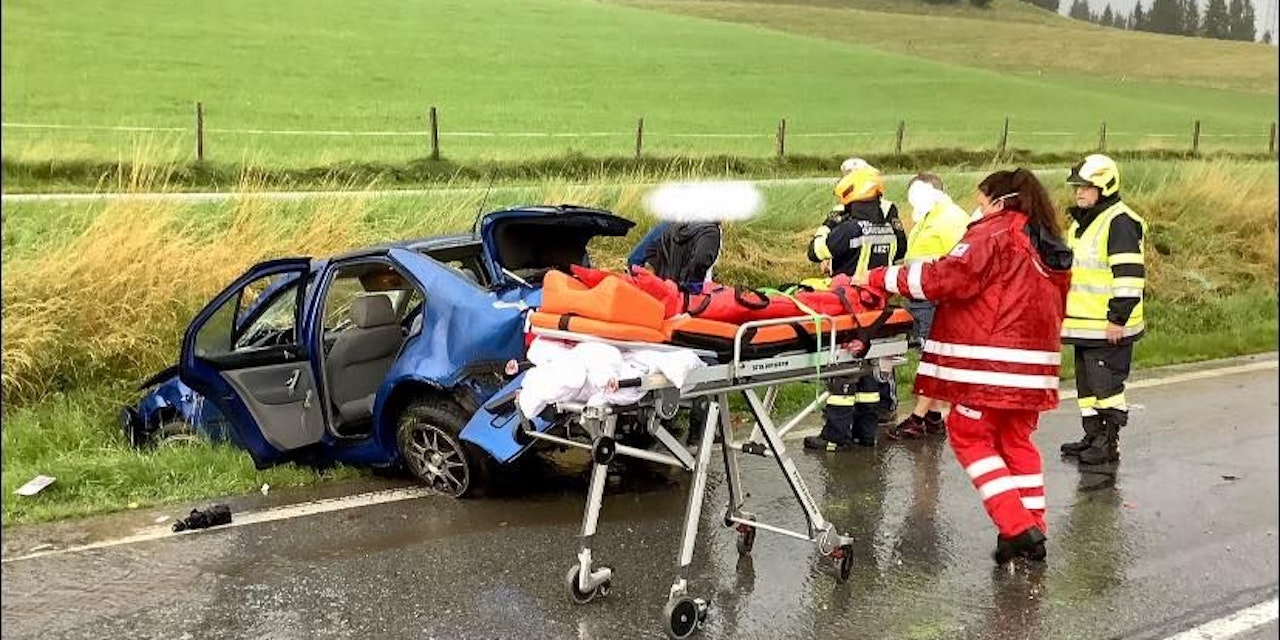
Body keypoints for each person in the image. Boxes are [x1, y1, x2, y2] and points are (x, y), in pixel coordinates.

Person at [858, 168, 1073, 564]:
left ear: (1000, 199)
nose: (978, 208)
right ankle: (1033, 530)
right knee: (1016, 443)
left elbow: (946, 277)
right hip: (1034, 365)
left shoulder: (995, 234)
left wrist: (882, 277)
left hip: (990, 363)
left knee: (967, 433)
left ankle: (1014, 525)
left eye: (982, 201)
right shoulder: (1044, 239)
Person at [802, 165, 907, 451]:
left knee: (842, 373)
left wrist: (828, 224)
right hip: (878, 312)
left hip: (849, 309)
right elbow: (901, 251)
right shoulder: (887, 230)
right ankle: (866, 431)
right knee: (869, 371)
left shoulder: (848, 228)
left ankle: (835, 435)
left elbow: (816, 251)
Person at [1059, 154, 1147, 467]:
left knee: (1106, 386)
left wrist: (1117, 318)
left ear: (1104, 187)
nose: (1078, 192)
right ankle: (1092, 435)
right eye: (1077, 187)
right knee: (1087, 387)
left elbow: (1129, 276)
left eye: (1085, 187)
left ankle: (1108, 443)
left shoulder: (1119, 222)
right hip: (1085, 324)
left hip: (1108, 326)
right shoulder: (1083, 223)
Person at [887, 173, 971, 440]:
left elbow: (961, 264)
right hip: (921, 296)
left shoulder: (950, 219)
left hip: (936, 299)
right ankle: (933, 416)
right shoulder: (929, 218)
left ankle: (918, 418)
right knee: (928, 356)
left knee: (932, 357)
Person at [641, 221, 721, 294]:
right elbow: (699, 262)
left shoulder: (677, 225)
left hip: (663, 292)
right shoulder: (711, 232)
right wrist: (691, 290)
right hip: (686, 299)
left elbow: (651, 251)